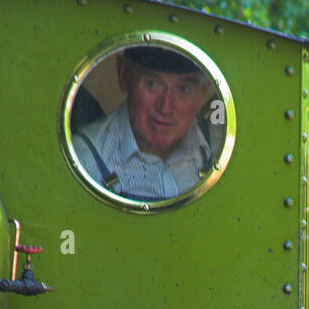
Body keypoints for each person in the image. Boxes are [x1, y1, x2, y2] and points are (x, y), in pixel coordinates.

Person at [71, 46, 212, 202]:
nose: (165, 108)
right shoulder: (83, 160)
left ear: (202, 92)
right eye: (152, 84)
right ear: (123, 74)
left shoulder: (219, 148)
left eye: (183, 89)